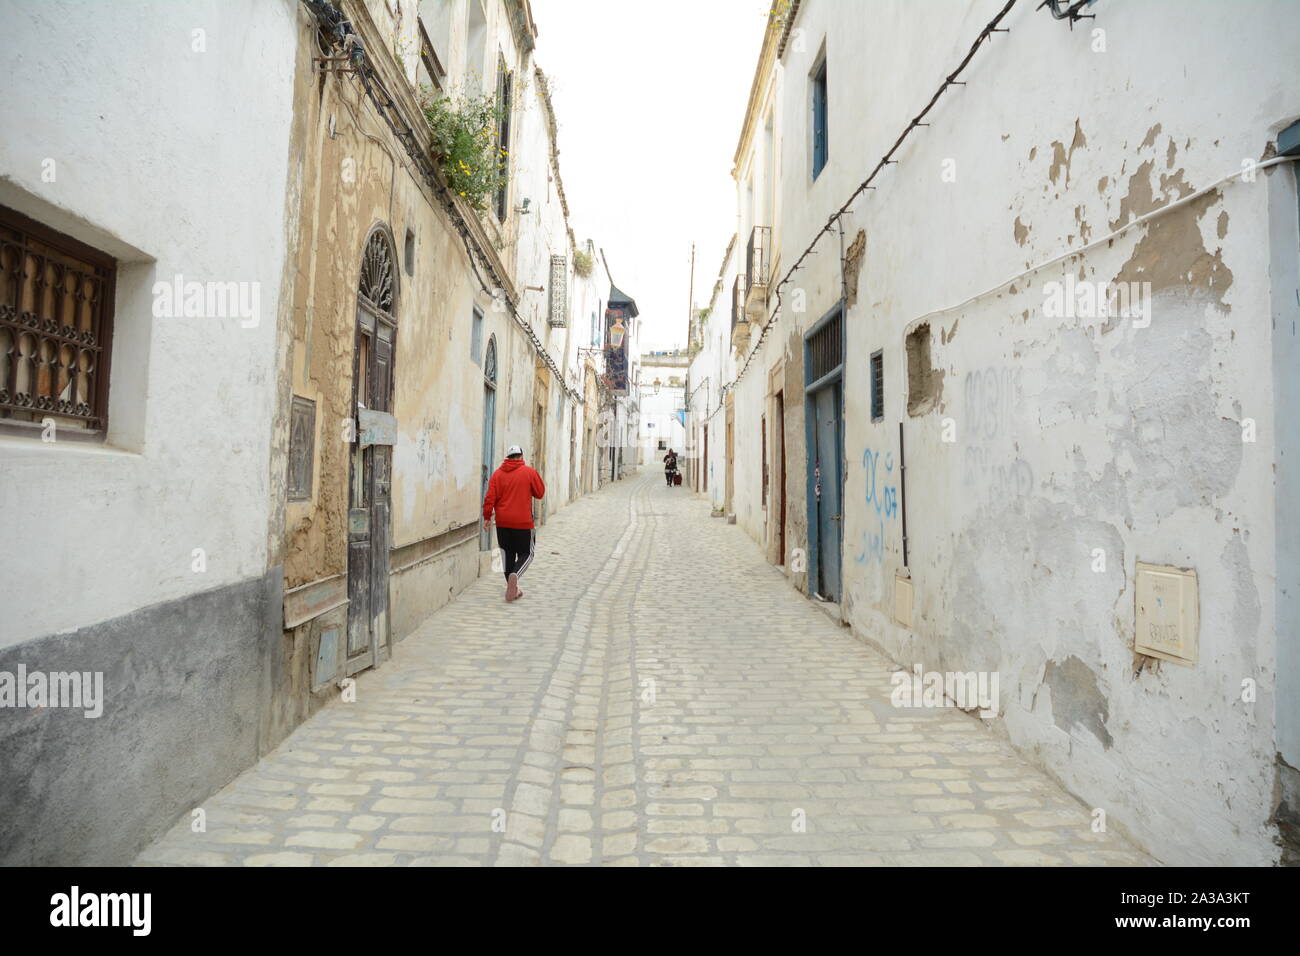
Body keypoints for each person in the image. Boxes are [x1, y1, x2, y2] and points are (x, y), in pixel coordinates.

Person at [482, 444, 545, 602]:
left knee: (507, 555)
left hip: (503, 523)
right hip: (523, 523)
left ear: (507, 458)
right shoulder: (529, 472)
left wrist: (487, 517)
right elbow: (540, 493)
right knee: (527, 553)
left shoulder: (497, 475)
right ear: (521, 457)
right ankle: (515, 576)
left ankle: (513, 589)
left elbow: (489, 498)